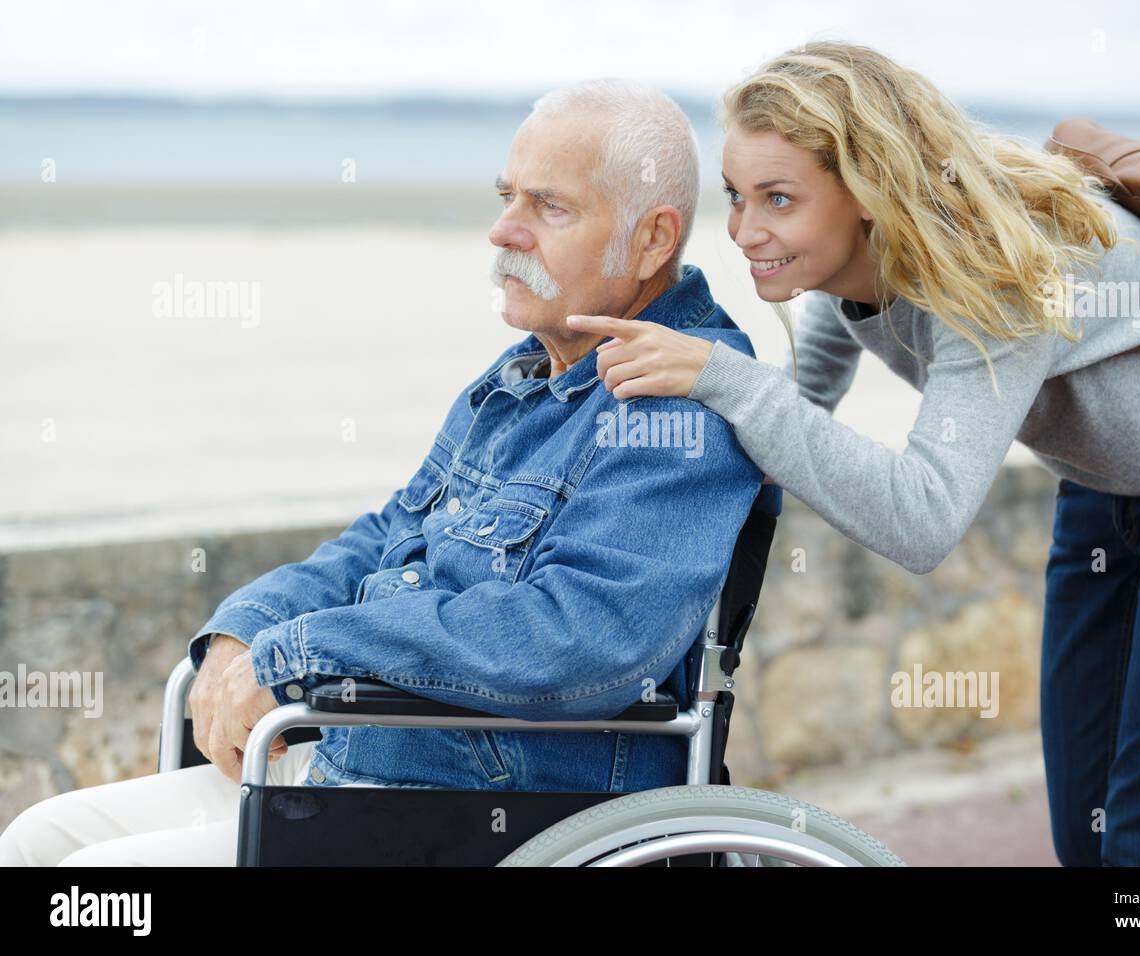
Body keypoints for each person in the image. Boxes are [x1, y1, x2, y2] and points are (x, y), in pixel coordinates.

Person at [0, 77, 780, 866]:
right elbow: (385, 537)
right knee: (37, 840)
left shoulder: (681, 405)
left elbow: (582, 638)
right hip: (359, 760)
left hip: (495, 806)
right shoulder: (523, 378)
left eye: (550, 208)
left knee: (96, 888)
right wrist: (247, 632)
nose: (503, 231)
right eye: (507, 196)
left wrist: (304, 655)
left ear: (651, 240)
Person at [566, 41, 1140, 867]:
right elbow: (839, 320)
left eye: (778, 199)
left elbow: (924, 520)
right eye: (737, 196)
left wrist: (737, 387)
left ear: (871, 195)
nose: (744, 231)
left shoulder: (992, 281)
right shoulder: (863, 254)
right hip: (1103, 491)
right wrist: (788, 418)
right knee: (1088, 837)